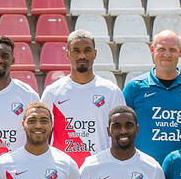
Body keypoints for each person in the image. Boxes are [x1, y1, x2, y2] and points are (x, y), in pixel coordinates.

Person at [122, 29, 181, 164]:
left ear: (180, 52)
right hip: (144, 169)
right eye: (161, 49)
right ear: (152, 50)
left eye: (172, 49)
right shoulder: (134, 88)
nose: (167, 54)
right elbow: (121, 128)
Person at [40, 30, 124, 166]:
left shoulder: (111, 91)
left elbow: (120, 133)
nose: (82, 55)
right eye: (76, 50)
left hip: (100, 169)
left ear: (95, 53)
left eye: (87, 50)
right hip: (62, 169)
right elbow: (44, 134)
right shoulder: (53, 92)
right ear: (67, 54)